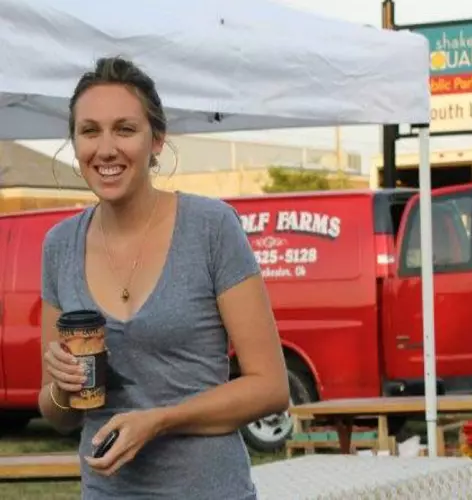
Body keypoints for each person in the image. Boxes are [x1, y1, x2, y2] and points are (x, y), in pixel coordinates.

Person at [38, 56, 289, 499]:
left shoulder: (211, 228)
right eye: (90, 130)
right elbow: (59, 414)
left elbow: (270, 388)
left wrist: (159, 421)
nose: (106, 148)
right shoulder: (59, 246)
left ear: (157, 140)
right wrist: (62, 387)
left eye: (125, 129)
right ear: (75, 144)